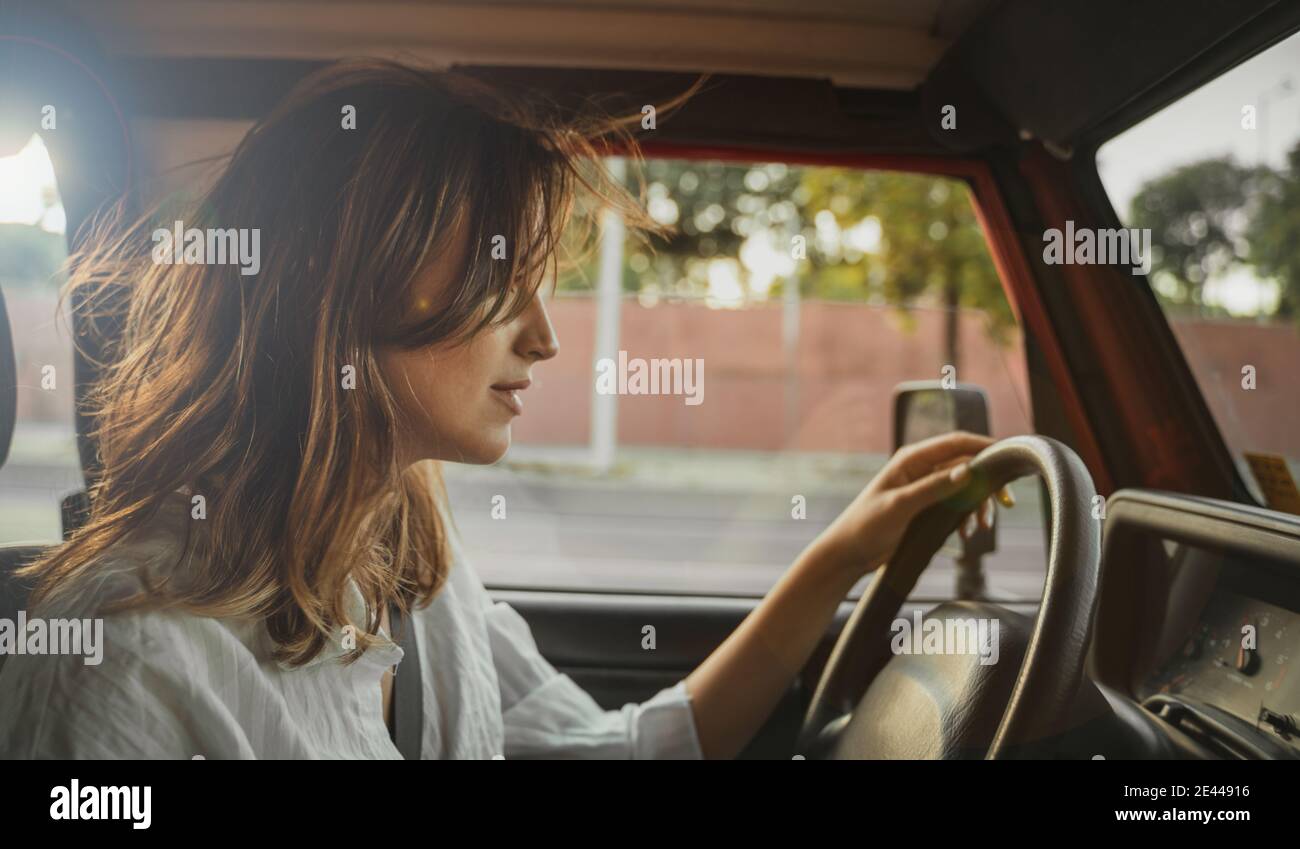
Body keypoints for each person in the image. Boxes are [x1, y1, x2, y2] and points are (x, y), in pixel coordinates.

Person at [0, 60, 998, 759]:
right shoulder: (126, 662)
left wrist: (838, 559)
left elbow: (618, 753)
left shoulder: (407, 578)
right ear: (345, 281)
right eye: (500, 277)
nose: (544, 337)